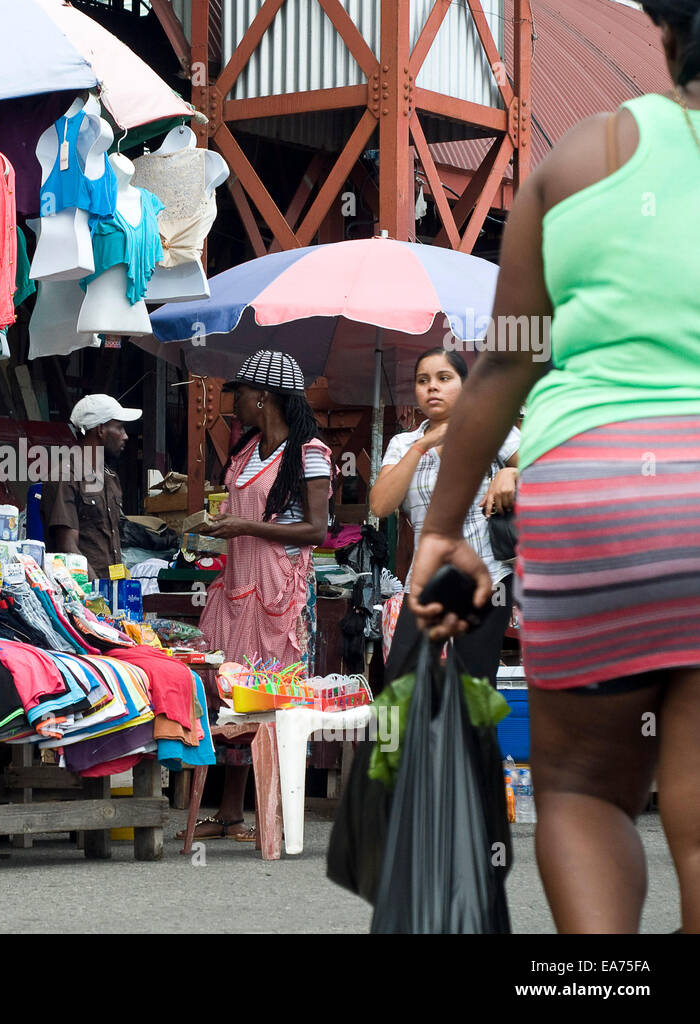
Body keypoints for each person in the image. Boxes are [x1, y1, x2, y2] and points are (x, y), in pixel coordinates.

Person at [407, 0, 700, 934]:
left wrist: (444, 531)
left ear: (664, 34)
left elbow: (506, 363)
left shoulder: (588, 157)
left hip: (592, 492)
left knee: (580, 790)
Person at [179, 351, 331, 843]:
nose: (233, 404)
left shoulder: (309, 451)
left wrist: (244, 525)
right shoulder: (246, 451)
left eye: (239, 394)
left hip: (279, 593)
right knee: (231, 695)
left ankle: (277, 818)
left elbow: (316, 529)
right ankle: (229, 814)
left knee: (276, 701)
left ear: (263, 396)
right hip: (237, 586)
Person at [369, 348, 519, 686]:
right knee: (402, 680)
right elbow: (380, 505)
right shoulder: (403, 443)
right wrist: (424, 444)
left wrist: (510, 474)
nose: (432, 387)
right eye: (423, 381)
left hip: (487, 576)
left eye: (444, 378)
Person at [43, 394, 141, 580]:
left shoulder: (110, 478)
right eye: (119, 427)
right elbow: (67, 546)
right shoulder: (67, 477)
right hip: (83, 593)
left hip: (110, 589)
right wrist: (97, 592)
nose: (126, 436)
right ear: (101, 429)